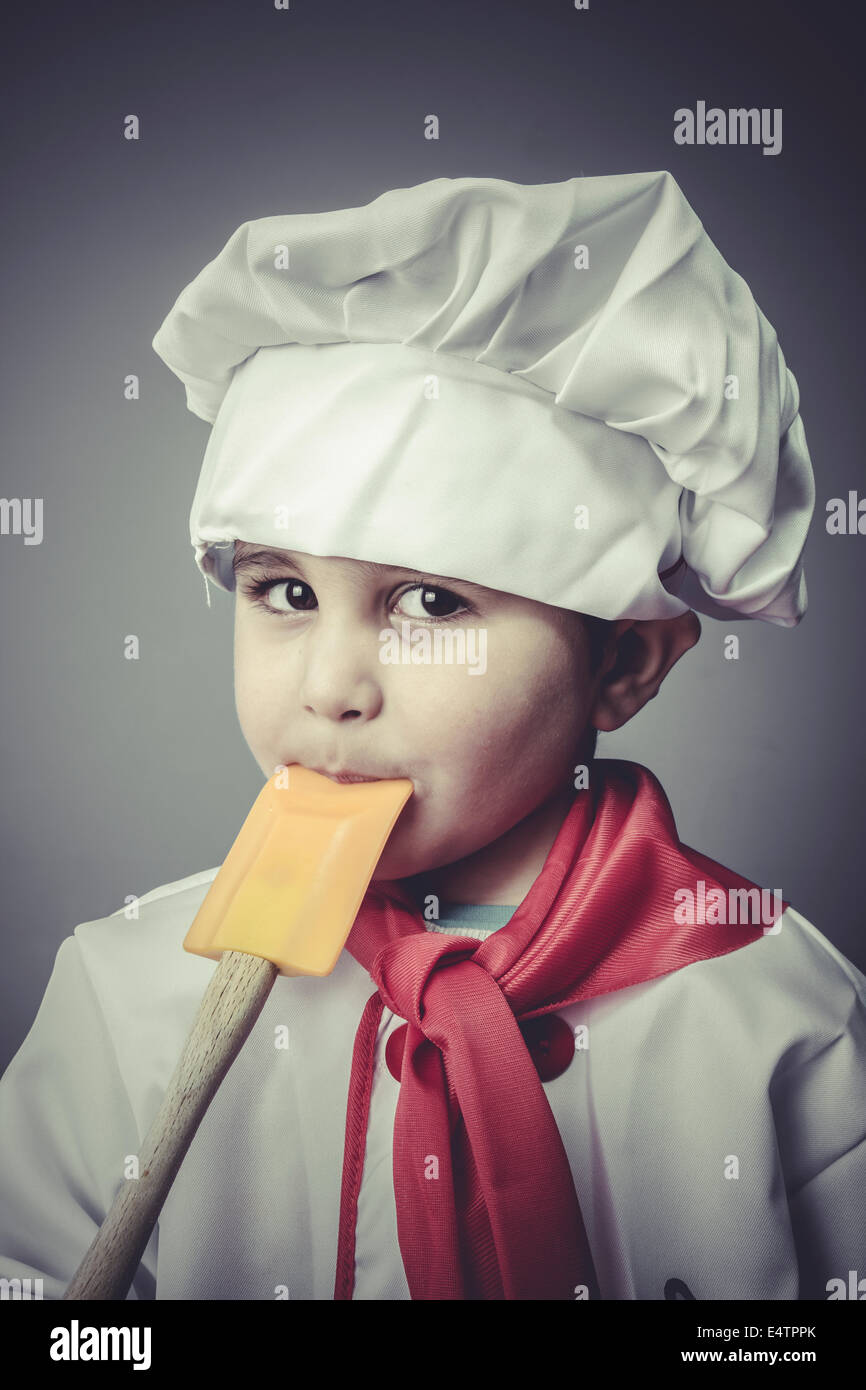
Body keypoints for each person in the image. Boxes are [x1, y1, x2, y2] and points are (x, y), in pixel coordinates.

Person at [1, 170, 864, 1301]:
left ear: (621, 664)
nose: (331, 687)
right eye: (283, 592)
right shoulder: (127, 997)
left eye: (430, 604)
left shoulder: (776, 1018)